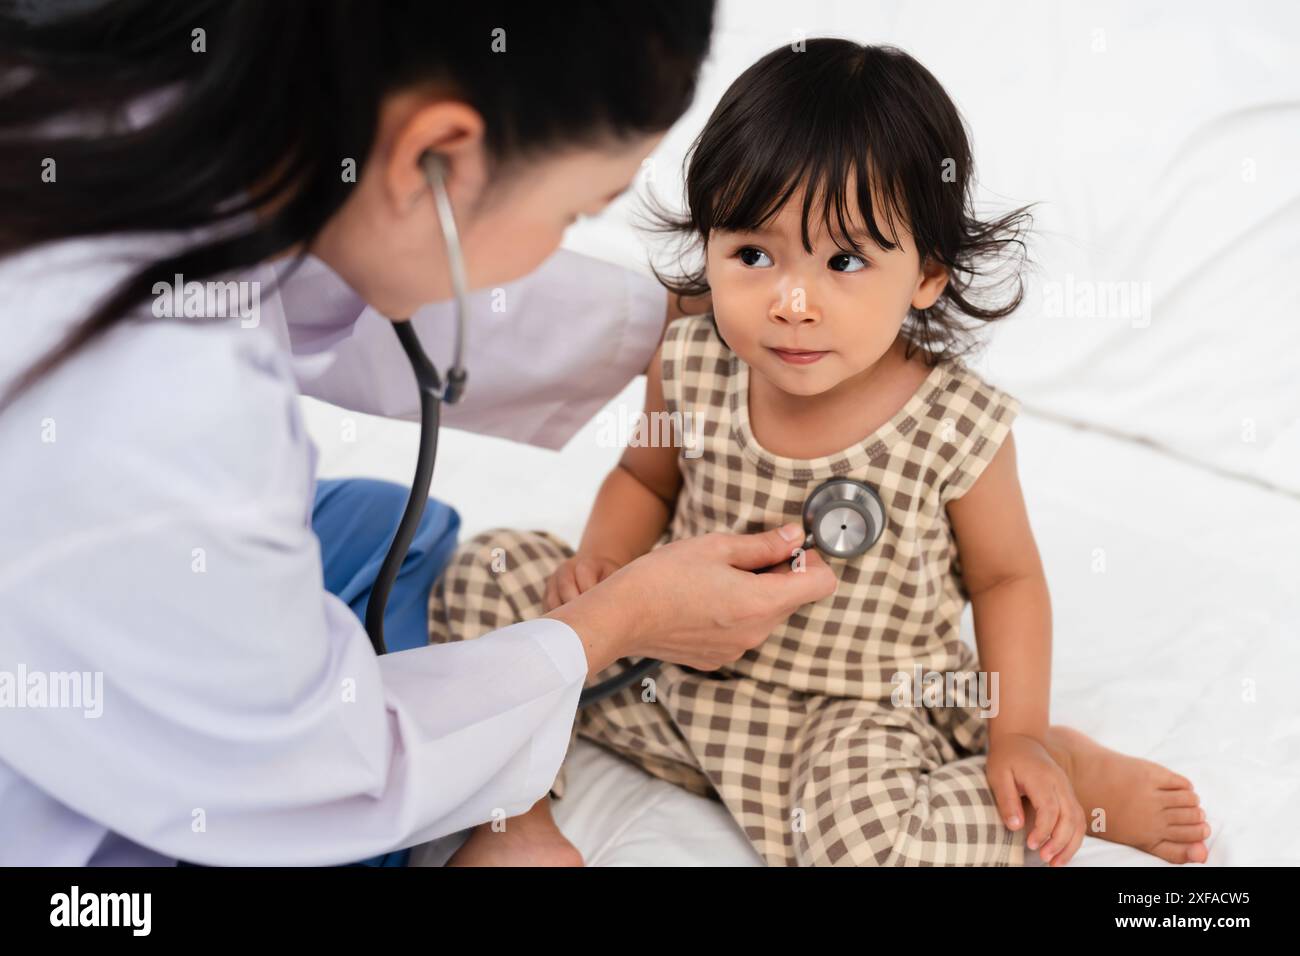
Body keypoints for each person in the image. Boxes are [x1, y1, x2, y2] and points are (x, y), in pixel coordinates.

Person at [0, 1, 836, 866]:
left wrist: (685, 316)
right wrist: (617, 623)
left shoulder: (165, 103)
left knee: (382, 522)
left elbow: (328, 279)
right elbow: (308, 774)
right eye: (573, 214)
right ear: (433, 156)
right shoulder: (165, 404)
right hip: (101, 797)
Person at [428, 40, 1211, 867]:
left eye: (844, 261)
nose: (793, 304)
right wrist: (603, 564)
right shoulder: (691, 360)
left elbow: (1007, 579)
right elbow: (642, 480)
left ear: (928, 275)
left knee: (869, 842)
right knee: (483, 577)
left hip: (854, 704)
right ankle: (514, 816)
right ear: (709, 247)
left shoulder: (954, 424)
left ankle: (1048, 769)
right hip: (671, 658)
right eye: (754, 255)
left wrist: (1013, 731)